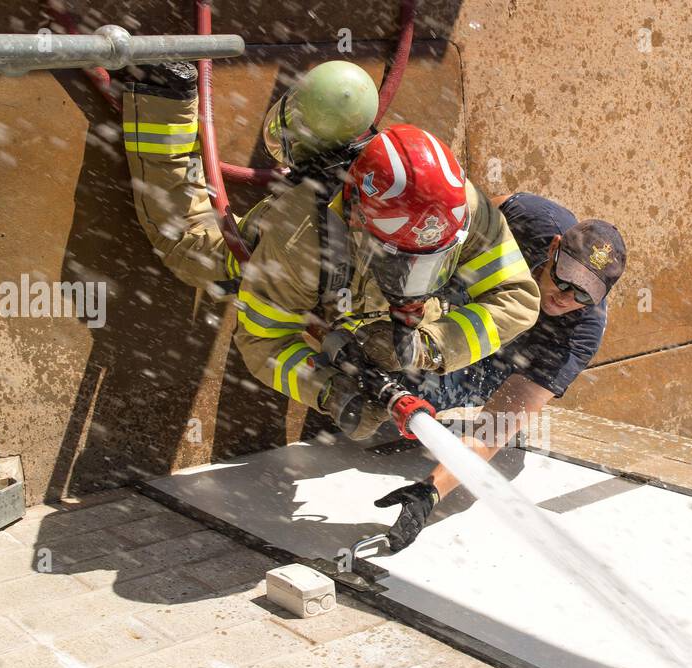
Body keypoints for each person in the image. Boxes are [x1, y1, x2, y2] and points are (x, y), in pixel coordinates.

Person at [121, 61, 541, 438]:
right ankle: (162, 97)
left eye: (429, 262)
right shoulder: (296, 237)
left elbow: (518, 298)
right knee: (188, 245)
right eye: (400, 261)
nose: (412, 281)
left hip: (348, 288)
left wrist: (428, 346)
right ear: (357, 216)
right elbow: (265, 342)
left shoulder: (457, 204)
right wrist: (329, 391)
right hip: (297, 254)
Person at [374, 194, 626, 549]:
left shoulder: (580, 334)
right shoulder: (532, 219)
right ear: (554, 247)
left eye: (583, 294)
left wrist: (430, 492)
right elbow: (464, 212)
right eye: (564, 278)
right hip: (467, 296)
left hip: (498, 360)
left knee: (392, 385)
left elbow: (498, 424)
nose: (565, 297)